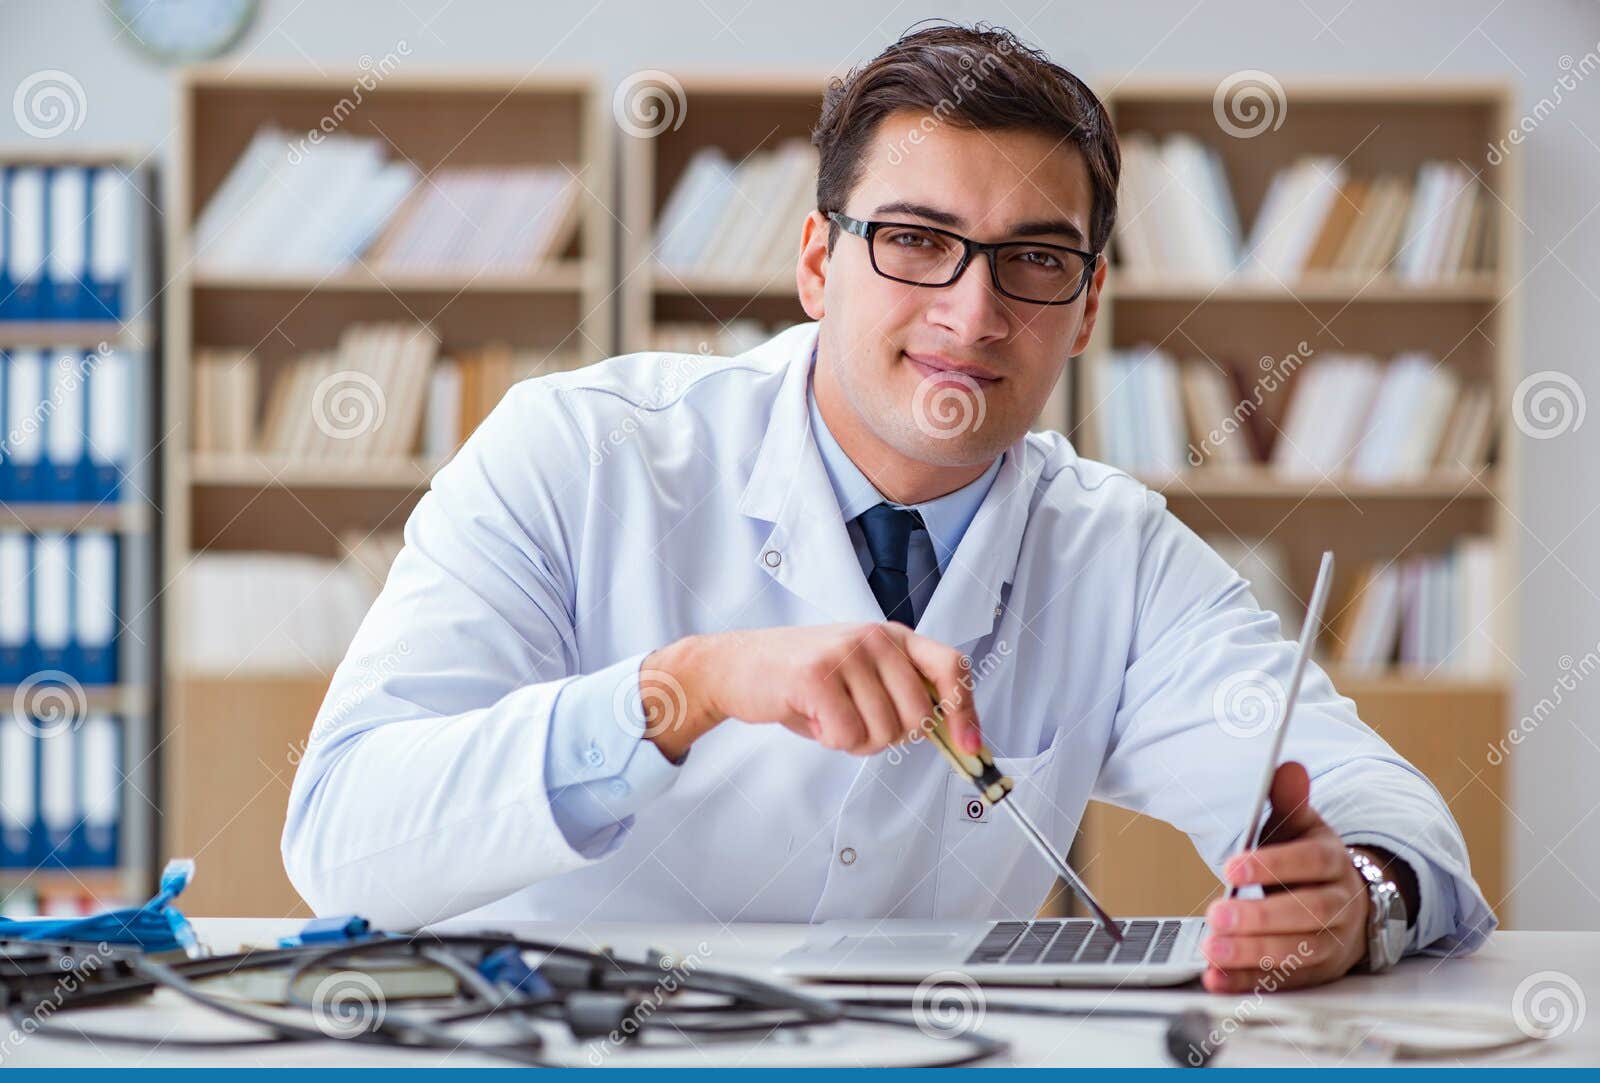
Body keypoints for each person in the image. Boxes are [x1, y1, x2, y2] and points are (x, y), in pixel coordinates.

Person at [283, 21, 1494, 992]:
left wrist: (1360, 898)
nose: (973, 314)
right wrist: (683, 689)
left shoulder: (1112, 551)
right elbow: (341, 840)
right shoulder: (577, 454)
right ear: (817, 262)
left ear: (1085, 306)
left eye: (1034, 258)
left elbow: (1385, 809)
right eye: (917, 241)